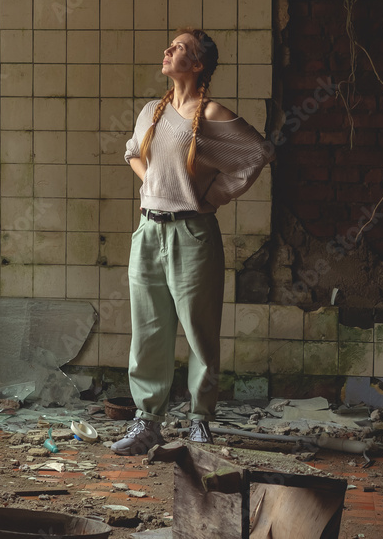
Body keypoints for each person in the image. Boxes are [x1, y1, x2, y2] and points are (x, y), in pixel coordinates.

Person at [112, 28, 275, 456]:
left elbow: (258, 153)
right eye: (171, 45)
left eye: (179, 47)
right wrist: (154, 184)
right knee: (148, 331)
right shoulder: (152, 111)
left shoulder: (213, 114)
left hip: (192, 233)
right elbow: (133, 152)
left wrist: (212, 197)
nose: (168, 50)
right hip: (148, 231)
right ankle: (147, 422)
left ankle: (200, 421)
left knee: (200, 332)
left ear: (197, 64)